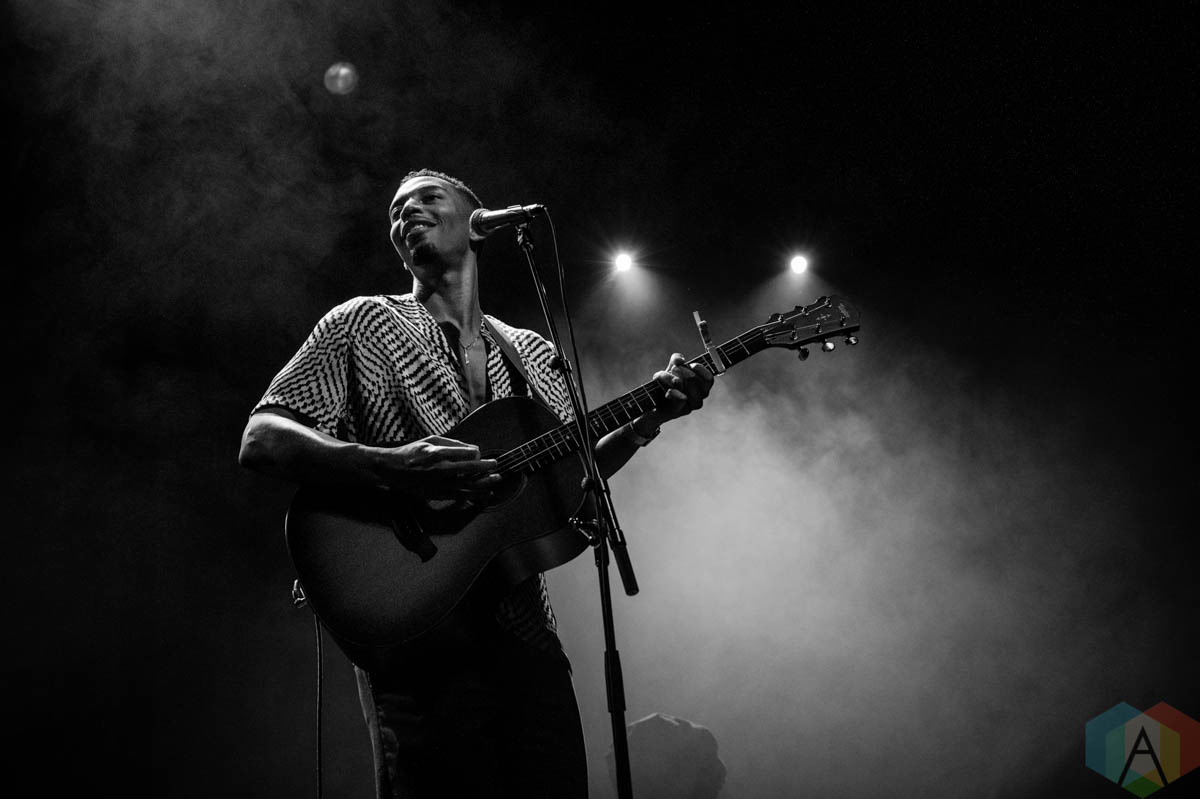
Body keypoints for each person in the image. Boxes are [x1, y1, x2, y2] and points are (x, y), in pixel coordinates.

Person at [238, 168, 714, 798]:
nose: (406, 212)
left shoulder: (533, 354)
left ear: (478, 221)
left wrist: (648, 419)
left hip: (523, 634)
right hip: (413, 630)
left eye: (428, 198)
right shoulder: (361, 324)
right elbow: (263, 438)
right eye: (395, 210)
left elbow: (570, 479)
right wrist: (393, 464)